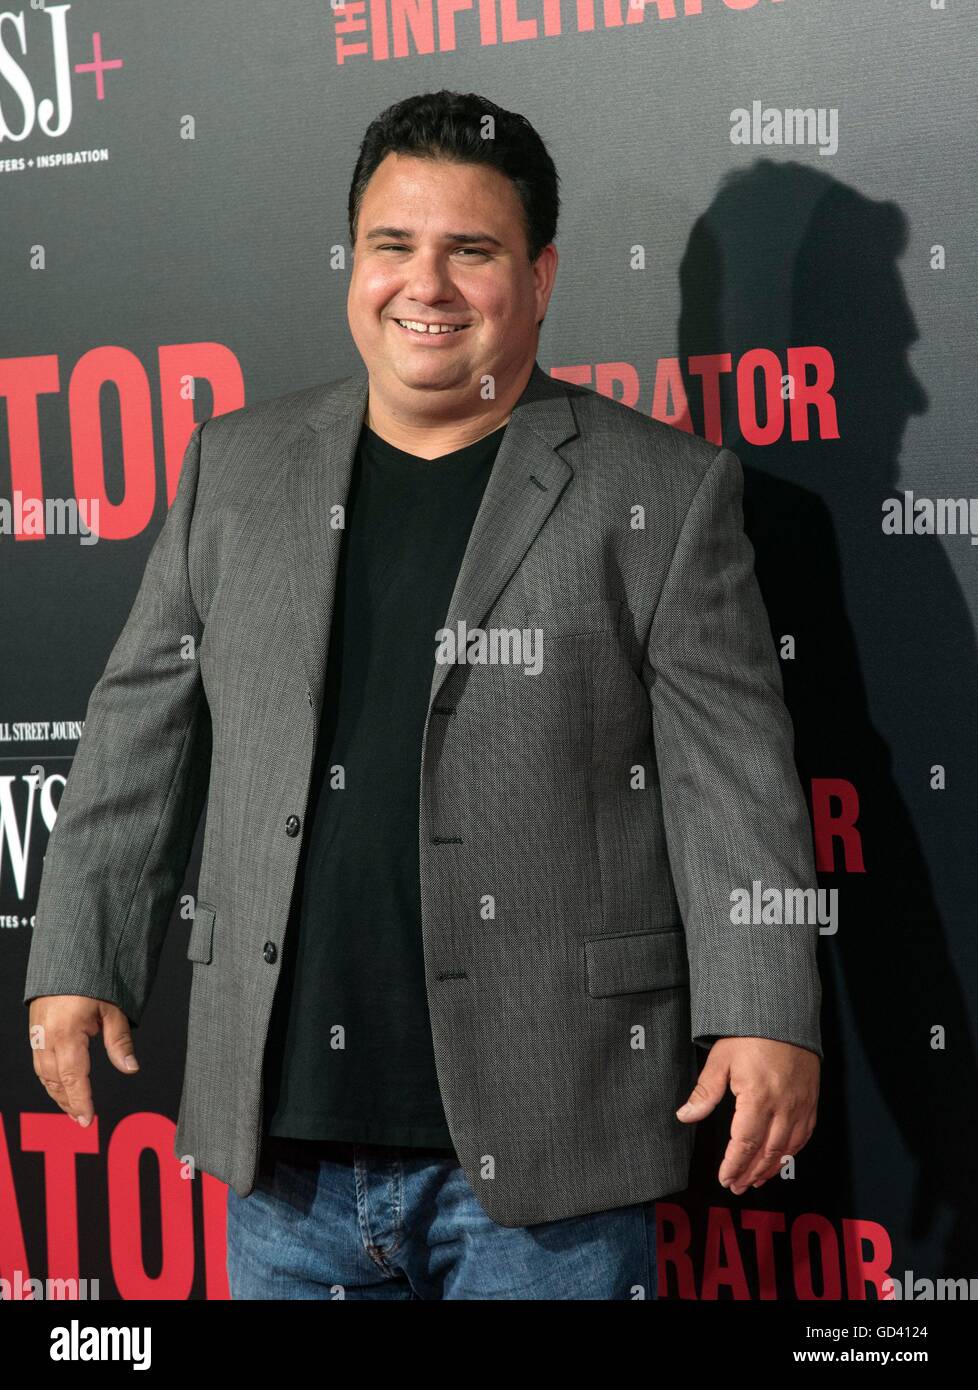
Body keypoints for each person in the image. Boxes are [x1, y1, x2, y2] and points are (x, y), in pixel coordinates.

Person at [24, 90, 822, 1300]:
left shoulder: (659, 490)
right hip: (281, 1162)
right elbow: (139, 735)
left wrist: (768, 1010)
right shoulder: (234, 467)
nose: (426, 284)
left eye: (473, 250)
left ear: (540, 277)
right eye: (393, 245)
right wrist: (78, 954)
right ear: (355, 261)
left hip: (545, 1172)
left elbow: (736, 783)